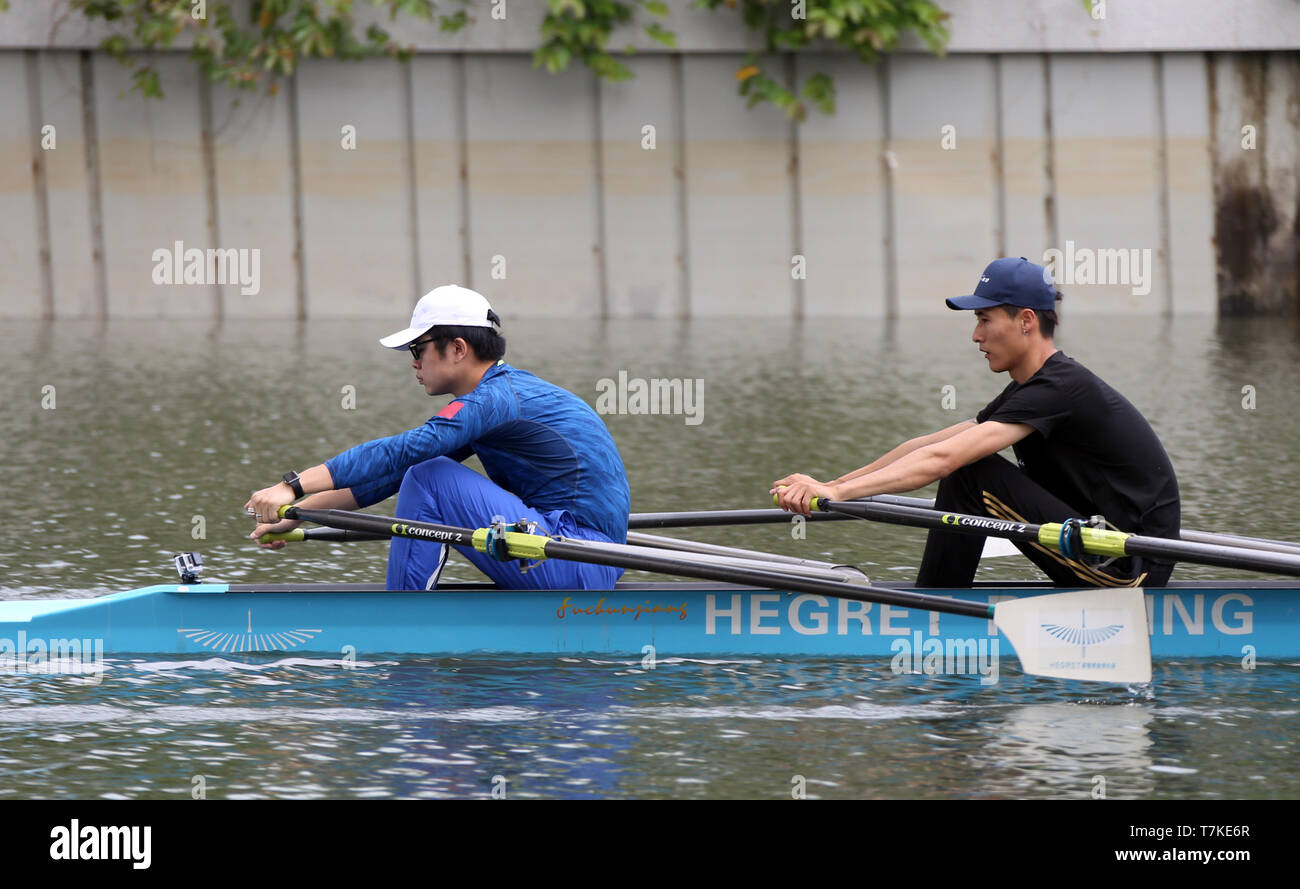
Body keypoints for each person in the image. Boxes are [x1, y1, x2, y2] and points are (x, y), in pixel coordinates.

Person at [773, 256, 1180, 588]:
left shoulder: (1059, 389)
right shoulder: (1034, 388)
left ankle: (936, 609)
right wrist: (832, 485)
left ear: (1025, 321)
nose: (975, 336)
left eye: (984, 320)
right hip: (1103, 542)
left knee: (968, 472)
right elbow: (927, 445)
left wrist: (840, 492)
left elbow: (943, 459)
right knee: (966, 466)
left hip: (1125, 565)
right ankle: (938, 599)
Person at [245, 285, 630, 591]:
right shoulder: (498, 399)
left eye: (418, 348)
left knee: (429, 475)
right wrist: (299, 514)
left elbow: (406, 448)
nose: (413, 360)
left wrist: (291, 487)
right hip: (577, 557)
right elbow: (388, 474)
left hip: (577, 558)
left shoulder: (495, 400)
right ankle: (410, 605)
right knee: (422, 469)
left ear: (458, 349)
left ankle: (406, 616)